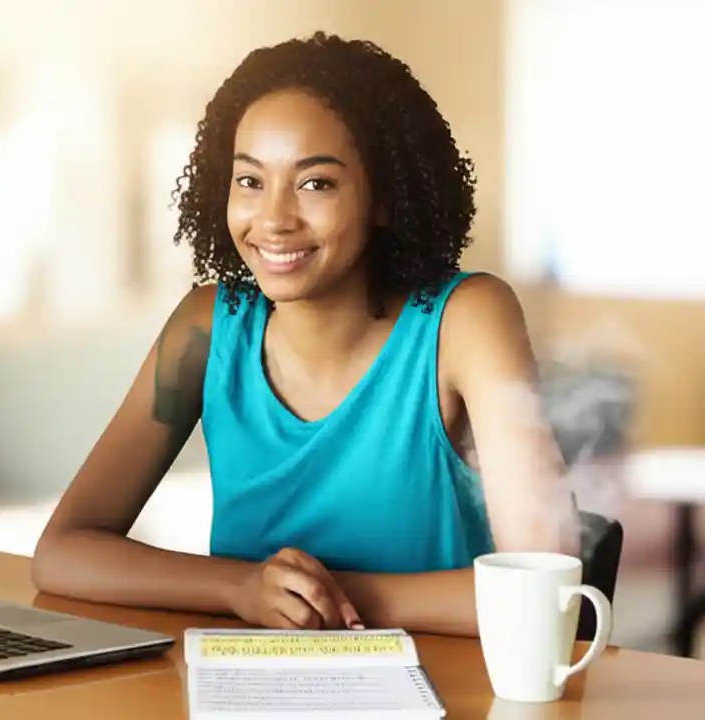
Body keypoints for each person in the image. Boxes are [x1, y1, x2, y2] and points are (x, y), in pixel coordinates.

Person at [30, 32, 578, 637]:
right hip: (247, 689)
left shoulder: (467, 320)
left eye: (316, 183)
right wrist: (241, 588)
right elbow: (63, 552)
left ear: (385, 199)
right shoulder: (205, 329)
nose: (274, 220)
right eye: (249, 181)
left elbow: (550, 593)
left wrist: (332, 596)